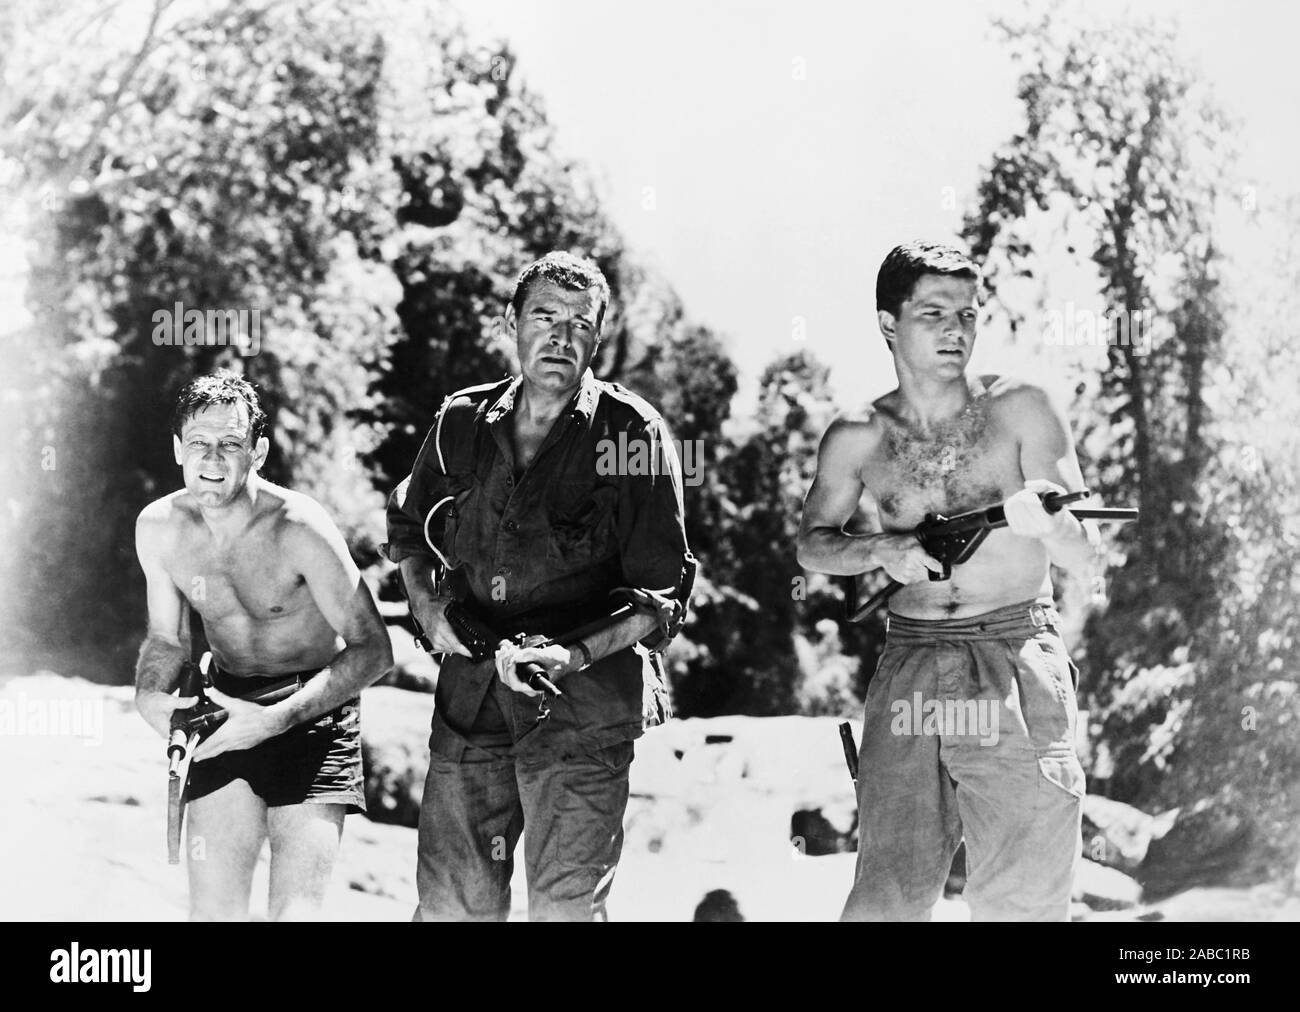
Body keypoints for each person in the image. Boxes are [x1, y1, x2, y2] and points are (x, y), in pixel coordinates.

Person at [385, 251, 695, 922]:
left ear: (597, 339)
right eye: (543, 317)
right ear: (511, 322)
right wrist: (428, 606)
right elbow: (410, 530)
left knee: (564, 910)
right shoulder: (459, 425)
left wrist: (573, 655)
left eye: (579, 325)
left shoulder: (631, 434)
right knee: (448, 909)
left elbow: (660, 597)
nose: (560, 338)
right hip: (471, 702)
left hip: (582, 710)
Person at [797, 241, 1100, 921]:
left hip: (1013, 654)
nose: (955, 329)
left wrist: (1045, 524)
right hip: (910, 661)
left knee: (1022, 900)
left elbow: (1088, 551)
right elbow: (813, 546)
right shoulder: (858, 434)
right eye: (933, 312)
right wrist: (882, 550)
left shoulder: (1022, 408)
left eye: (966, 313)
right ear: (886, 324)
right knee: (885, 900)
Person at [134, 370, 393, 920]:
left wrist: (276, 719)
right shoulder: (159, 528)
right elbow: (166, 638)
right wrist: (149, 694)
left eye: (231, 444)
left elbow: (374, 648)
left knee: (294, 917)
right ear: (179, 448)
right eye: (200, 443)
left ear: (259, 451)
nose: (214, 458)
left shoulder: (300, 527)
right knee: (214, 915)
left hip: (312, 717)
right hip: (223, 712)